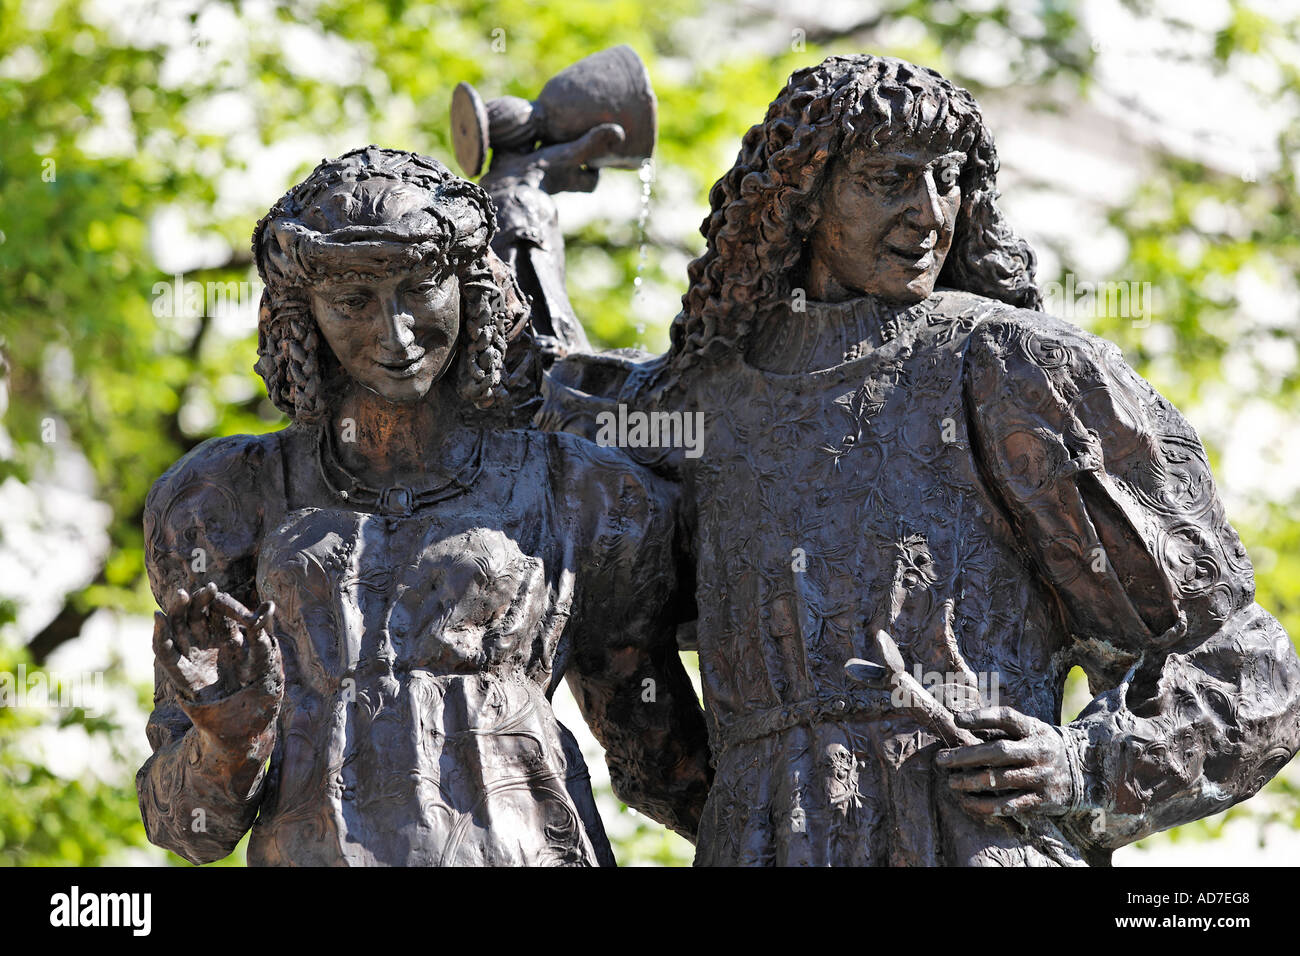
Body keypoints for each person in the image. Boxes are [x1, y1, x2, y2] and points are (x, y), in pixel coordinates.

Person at [516, 55, 1300, 865]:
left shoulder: (1013, 370)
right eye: (888, 178)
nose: (928, 213)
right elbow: (538, 422)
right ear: (803, 195)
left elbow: (1246, 666)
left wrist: (1084, 766)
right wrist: (520, 201)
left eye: (949, 179)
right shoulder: (704, 406)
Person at [136, 146, 710, 866]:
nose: (396, 332)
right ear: (302, 311)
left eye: (420, 287)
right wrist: (229, 739)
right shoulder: (223, 497)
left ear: (471, 285)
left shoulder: (585, 494)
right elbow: (184, 828)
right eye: (353, 302)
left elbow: (664, 759)